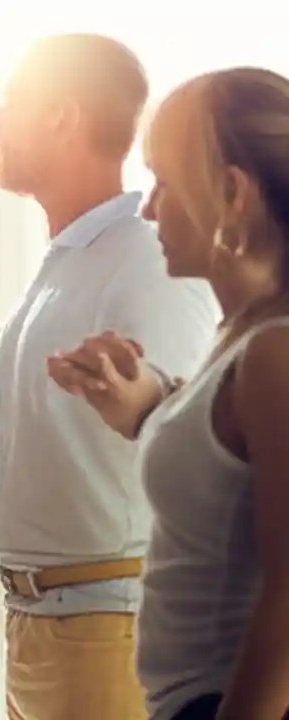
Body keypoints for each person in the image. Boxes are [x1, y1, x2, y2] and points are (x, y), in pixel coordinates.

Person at [0, 34, 218, 719]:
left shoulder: (146, 253)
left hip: (105, 628)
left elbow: (182, 425)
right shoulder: (73, 255)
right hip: (41, 623)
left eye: (11, 103)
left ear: (63, 116)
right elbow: (38, 358)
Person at [48, 67, 289, 720]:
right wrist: (149, 403)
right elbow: (226, 468)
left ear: (232, 193)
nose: (148, 206)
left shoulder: (274, 353)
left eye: (162, 182)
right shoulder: (240, 337)